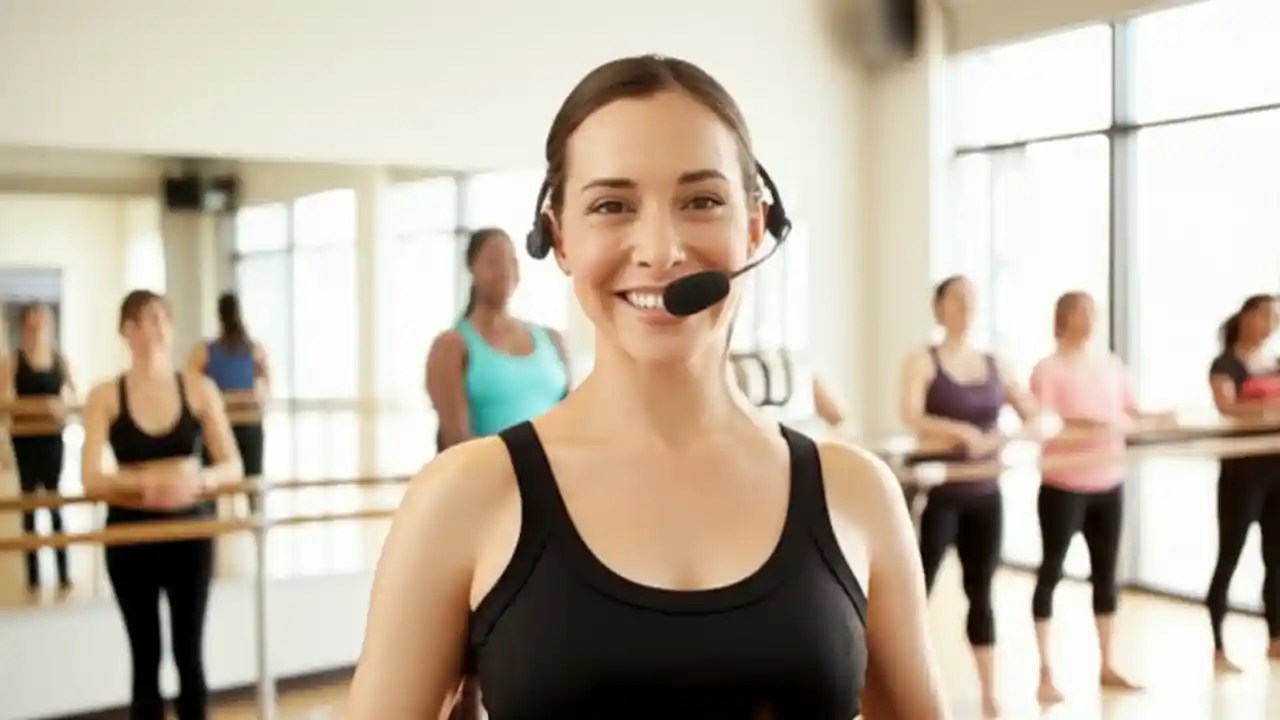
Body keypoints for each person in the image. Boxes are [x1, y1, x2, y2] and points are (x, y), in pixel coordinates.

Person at [349, 55, 947, 719]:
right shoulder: (463, 497)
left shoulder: (856, 494)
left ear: (754, 227)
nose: (660, 250)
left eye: (701, 201)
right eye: (612, 205)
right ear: (560, 237)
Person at [81, 290, 243, 720]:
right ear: (124, 332)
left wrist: (196, 480)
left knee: (189, 657)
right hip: (130, 539)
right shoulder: (104, 396)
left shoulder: (198, 389)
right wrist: (144, 483)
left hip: (189, 536)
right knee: (145, 658)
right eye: (139, 322)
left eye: (158, 320)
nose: (150, 330)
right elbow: (91, 478)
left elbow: (233, 466)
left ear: (170, 328)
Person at [899, 274, 1038, 718]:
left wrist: (1001, 438)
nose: (966, 307)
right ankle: (906, 687)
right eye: (957, 299)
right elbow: (910, 415)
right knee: (919, 592)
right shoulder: (922, 359)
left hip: (985, 494)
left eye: (972, 300)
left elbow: (1035, 417)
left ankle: (989, 695)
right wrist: (958, 431)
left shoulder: (995, 362)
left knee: (982, 592)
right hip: (941, 493)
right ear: (939, 308)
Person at [1027, 291, 1171, 703]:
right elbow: (1045, 417)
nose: (1087, 319)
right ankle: (1045, 671)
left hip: (1109, 481)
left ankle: (1107, 663)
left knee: (1105, 574)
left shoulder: (1111, 366)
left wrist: (1164, 417)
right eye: (1079, 312)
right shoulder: (1048, 369)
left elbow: (1133, 412)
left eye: (1092, 312)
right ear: (1062, 318)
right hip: (1063, 484)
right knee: (1051, 570)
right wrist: (1095, 422)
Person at [426, 227, 570, 451]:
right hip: (490, 481)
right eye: (493, 262)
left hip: (560, 479)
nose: (505, 271)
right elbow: (456, 444)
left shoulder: (553, 340)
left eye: (512, 261)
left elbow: (575, 423)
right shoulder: (452, 345)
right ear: (472, 269)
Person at [1205, 293, 1280, 672]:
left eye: (1277, 317)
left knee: (1277, 559)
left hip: (1276, 471)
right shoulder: (1226, 362)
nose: (1272, 324)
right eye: (1266, 315)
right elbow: (1226, 406)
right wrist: (1267, 410)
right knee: (1230, 556)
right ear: (1247, 317)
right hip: (1241, 474)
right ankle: (1219, 646)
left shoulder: (1277, 363)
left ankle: (1276, 639)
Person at [0, 303, 77, 593]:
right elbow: (4, 404)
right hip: (25, 440)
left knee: (56, 505)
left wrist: (60, 409)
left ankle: (63, 573)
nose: (37, 331)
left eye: (42, 325)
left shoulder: (60, 359)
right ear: (23, 329)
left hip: (53, 440)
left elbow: (73, 396)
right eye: (31, 326)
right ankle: (33, 577)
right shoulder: (13, 362)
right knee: (29, 507)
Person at [185, 292, 270, 512]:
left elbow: (189, 381)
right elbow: (267, 382)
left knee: (216, 486)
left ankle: (214, 524)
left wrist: (220, 399)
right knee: (252, 484)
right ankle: (256, 527)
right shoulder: (252, 349)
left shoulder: (207, 351)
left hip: (223, 425)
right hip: (240, 424)